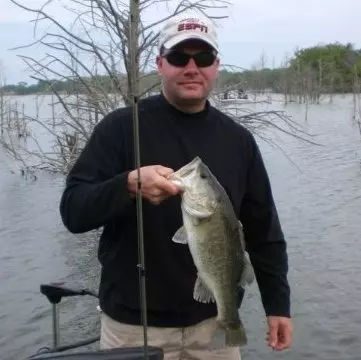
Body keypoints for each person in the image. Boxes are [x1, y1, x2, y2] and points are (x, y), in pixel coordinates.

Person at [59, 12, 293, 360]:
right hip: (133, 329)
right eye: (179, 57)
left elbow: (264, 231)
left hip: (214, 324)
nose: (191, 67)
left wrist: (278, 304)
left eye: (204, 58)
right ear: (160, 64)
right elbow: (73, 211)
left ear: (216, 66)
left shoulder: (238, 141)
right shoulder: (122, 128)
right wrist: (126, 186)